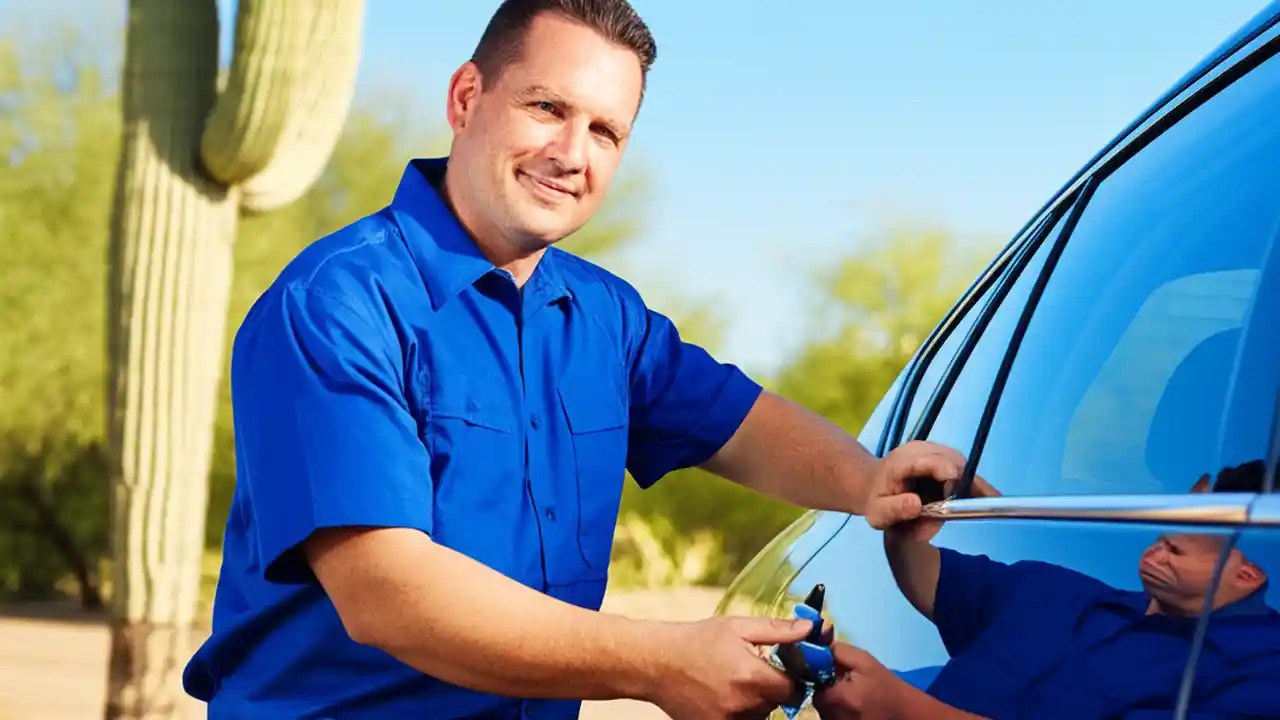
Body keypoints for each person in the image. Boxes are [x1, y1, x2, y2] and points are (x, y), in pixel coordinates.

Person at [181, 1, 966, 717]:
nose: (570, 152)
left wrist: (869, 481)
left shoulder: (607, 318)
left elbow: (738, 425)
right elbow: (385, 593)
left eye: (605, 132)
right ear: (465, 99)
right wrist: (658, 661)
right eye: (547, 108)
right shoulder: (337, 302)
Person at [813, 459, 1280, 719]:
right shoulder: (1052, 591)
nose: (1152, 553)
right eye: (1158, 536)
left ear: (1248, 574)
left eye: (1175, 550)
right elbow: (933, 581)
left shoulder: (1261, 679)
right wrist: (908, 512)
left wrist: (903, 711)